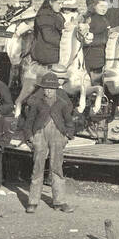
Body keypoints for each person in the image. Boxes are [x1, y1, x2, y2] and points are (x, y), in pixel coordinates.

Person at [24, 71, 76, 213]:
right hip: (40, 135)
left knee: (57, 168)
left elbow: (69, 122)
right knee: (37, 167)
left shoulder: (62, 103)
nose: (48, 91)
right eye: (46, 88)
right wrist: (30, 137)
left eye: (51, 88)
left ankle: (59, 201)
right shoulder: (36, 103)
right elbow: (29, 121)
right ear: (42, 88)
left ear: (56, 89)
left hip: (58, 135)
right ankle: (33, 201)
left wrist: (67, 136)